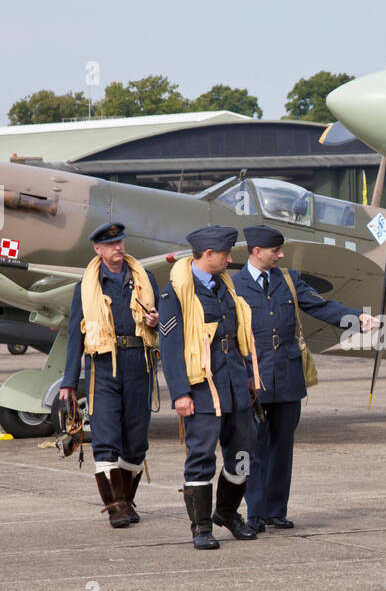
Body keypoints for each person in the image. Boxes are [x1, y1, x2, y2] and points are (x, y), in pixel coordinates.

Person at [235, 224, 375, 533]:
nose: (282, 255)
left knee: (282, 446)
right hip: (252, 379)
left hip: (287, 377)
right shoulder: (234, 285)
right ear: (257, 252)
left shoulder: (289, 280)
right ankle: (254, 513)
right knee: (253, 448)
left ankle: (276, 511)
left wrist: (356, 318)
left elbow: (323, 307)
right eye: (276, 251)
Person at [157, 225, 263, 550]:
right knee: (201, 458)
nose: (231, 259)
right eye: (226, 254)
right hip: (201, 391)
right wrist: (179, 394)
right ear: (208, 255)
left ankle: (227, 514)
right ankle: (201, 528)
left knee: (244, 454)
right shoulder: (174, 293)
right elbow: (171, 347)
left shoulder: (225, 287)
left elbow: (235, 338)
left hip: (235, 389)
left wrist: (247, 376)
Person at [59, 222, 160, 529]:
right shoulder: (87, 286)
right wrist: (68, 381)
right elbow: (75, 334)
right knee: (105, 438)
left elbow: (165, 322)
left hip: (139, 363)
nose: (119, 247)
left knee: (136, 442)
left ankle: (127, 500)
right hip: (103, 366)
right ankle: (114, 505)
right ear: (98, 249)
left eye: (121, 242)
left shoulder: (145, 279)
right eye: (111, 244)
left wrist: (156, 321)